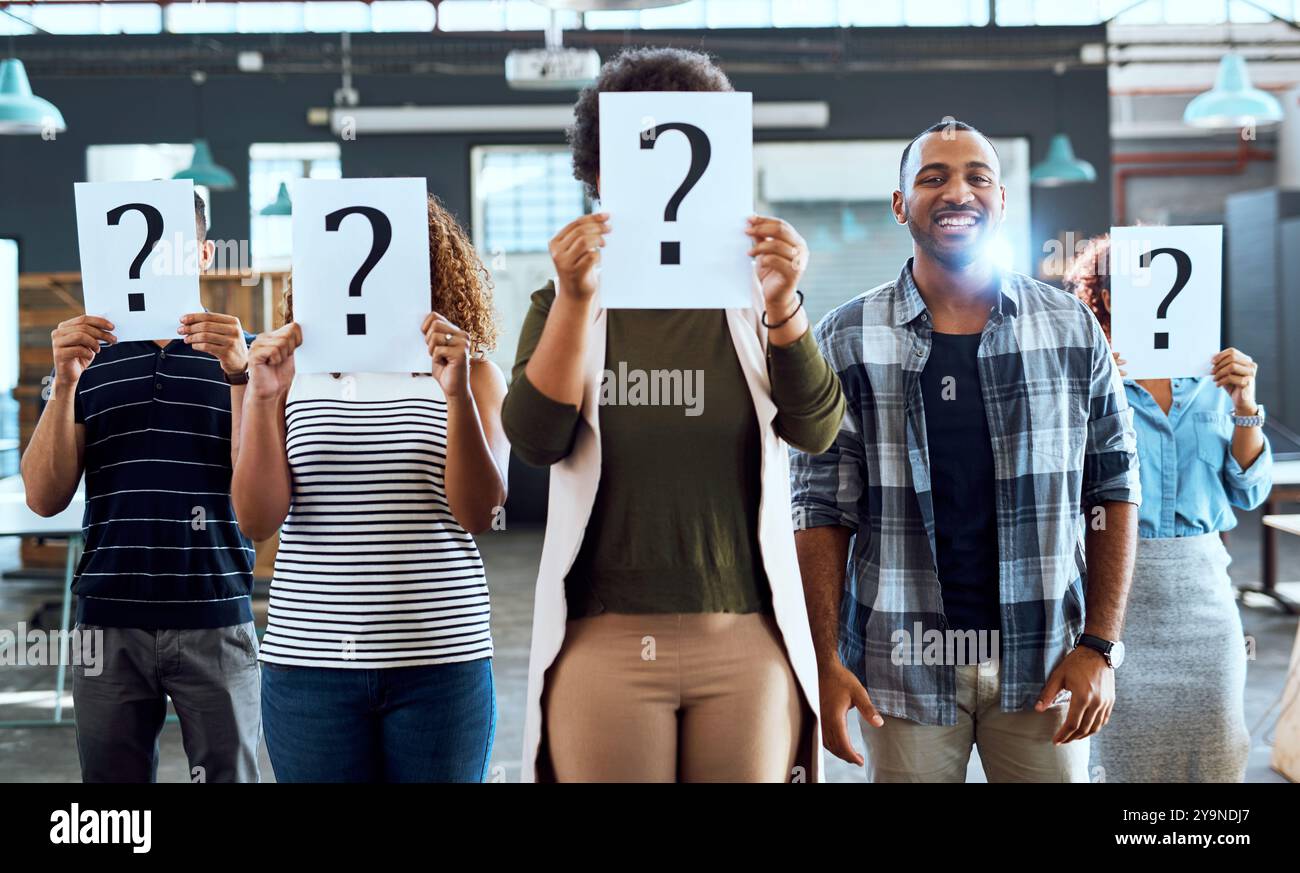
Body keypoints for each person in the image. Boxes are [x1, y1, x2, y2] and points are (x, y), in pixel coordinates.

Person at [502, 47, 845, 783]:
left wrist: (785, 305)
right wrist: (573, 297)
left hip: (747, 635)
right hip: (604, 638)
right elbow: (534, 438)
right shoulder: (566, 303)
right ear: (599, 175)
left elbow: (816, 426)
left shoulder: (755, 298)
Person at [791, 120, 1142, 783]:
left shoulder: (1070, 329)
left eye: (978, 177)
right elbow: (819, 509)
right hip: (901, 666)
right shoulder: (845, 338)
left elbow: (1115, 488)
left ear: (1002, 200)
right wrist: (825, 658)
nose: (959, 192)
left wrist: (1100, 644)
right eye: (933, 177)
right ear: (900, 204)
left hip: (1046, 662)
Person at [231, 193, 507, 783]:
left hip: (442, 659)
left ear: (429, 268)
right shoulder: (285, 373)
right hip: (308, 666)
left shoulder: (474, 372)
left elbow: (480, 513)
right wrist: (259, 397)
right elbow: (256, 521)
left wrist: (455, 394)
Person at [23, 192, 260, 783]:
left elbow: (263, 498)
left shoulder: (249, 358)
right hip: (108, 619)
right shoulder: (83, 361)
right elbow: (44, 496)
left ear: (205, 255)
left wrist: (242, 375)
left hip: (216, 612)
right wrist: (66, 383)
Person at [1066, 234, 1270, 782]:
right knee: (1112, 757)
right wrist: (1084, 389)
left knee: (1216, 748)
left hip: (1203, 598)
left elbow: (1248, 491)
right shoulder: (1083, 373)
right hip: (1109, 594)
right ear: (1104, 297)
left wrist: (1245, 405)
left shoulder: (1212, 378)